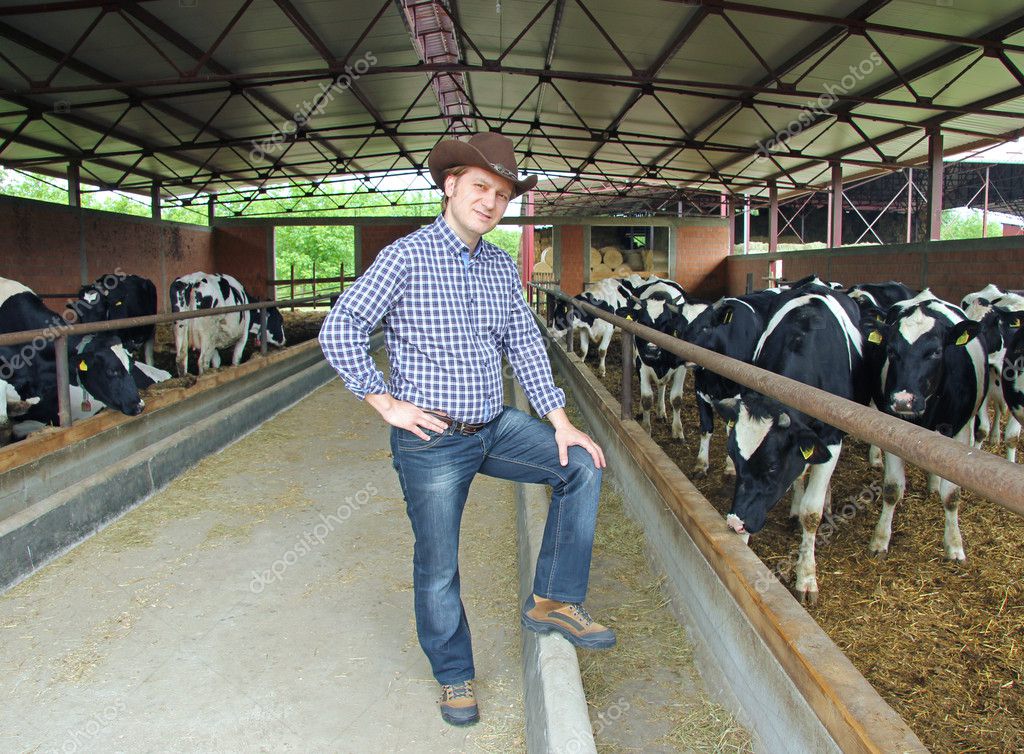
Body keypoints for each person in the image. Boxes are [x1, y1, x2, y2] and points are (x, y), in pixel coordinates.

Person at [318, 131, 614, 727]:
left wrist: (559, 422)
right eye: (481, 187)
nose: (490, 203)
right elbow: (340, 327)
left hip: (493, 426)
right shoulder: (405, 257)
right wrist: (385, 403)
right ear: (451, 184)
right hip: (430, 439)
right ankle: (454, 676)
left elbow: (524, 342)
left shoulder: (502, 265)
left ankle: (553, 600)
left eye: (503, 195)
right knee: (439, 562)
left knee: (580, 464)